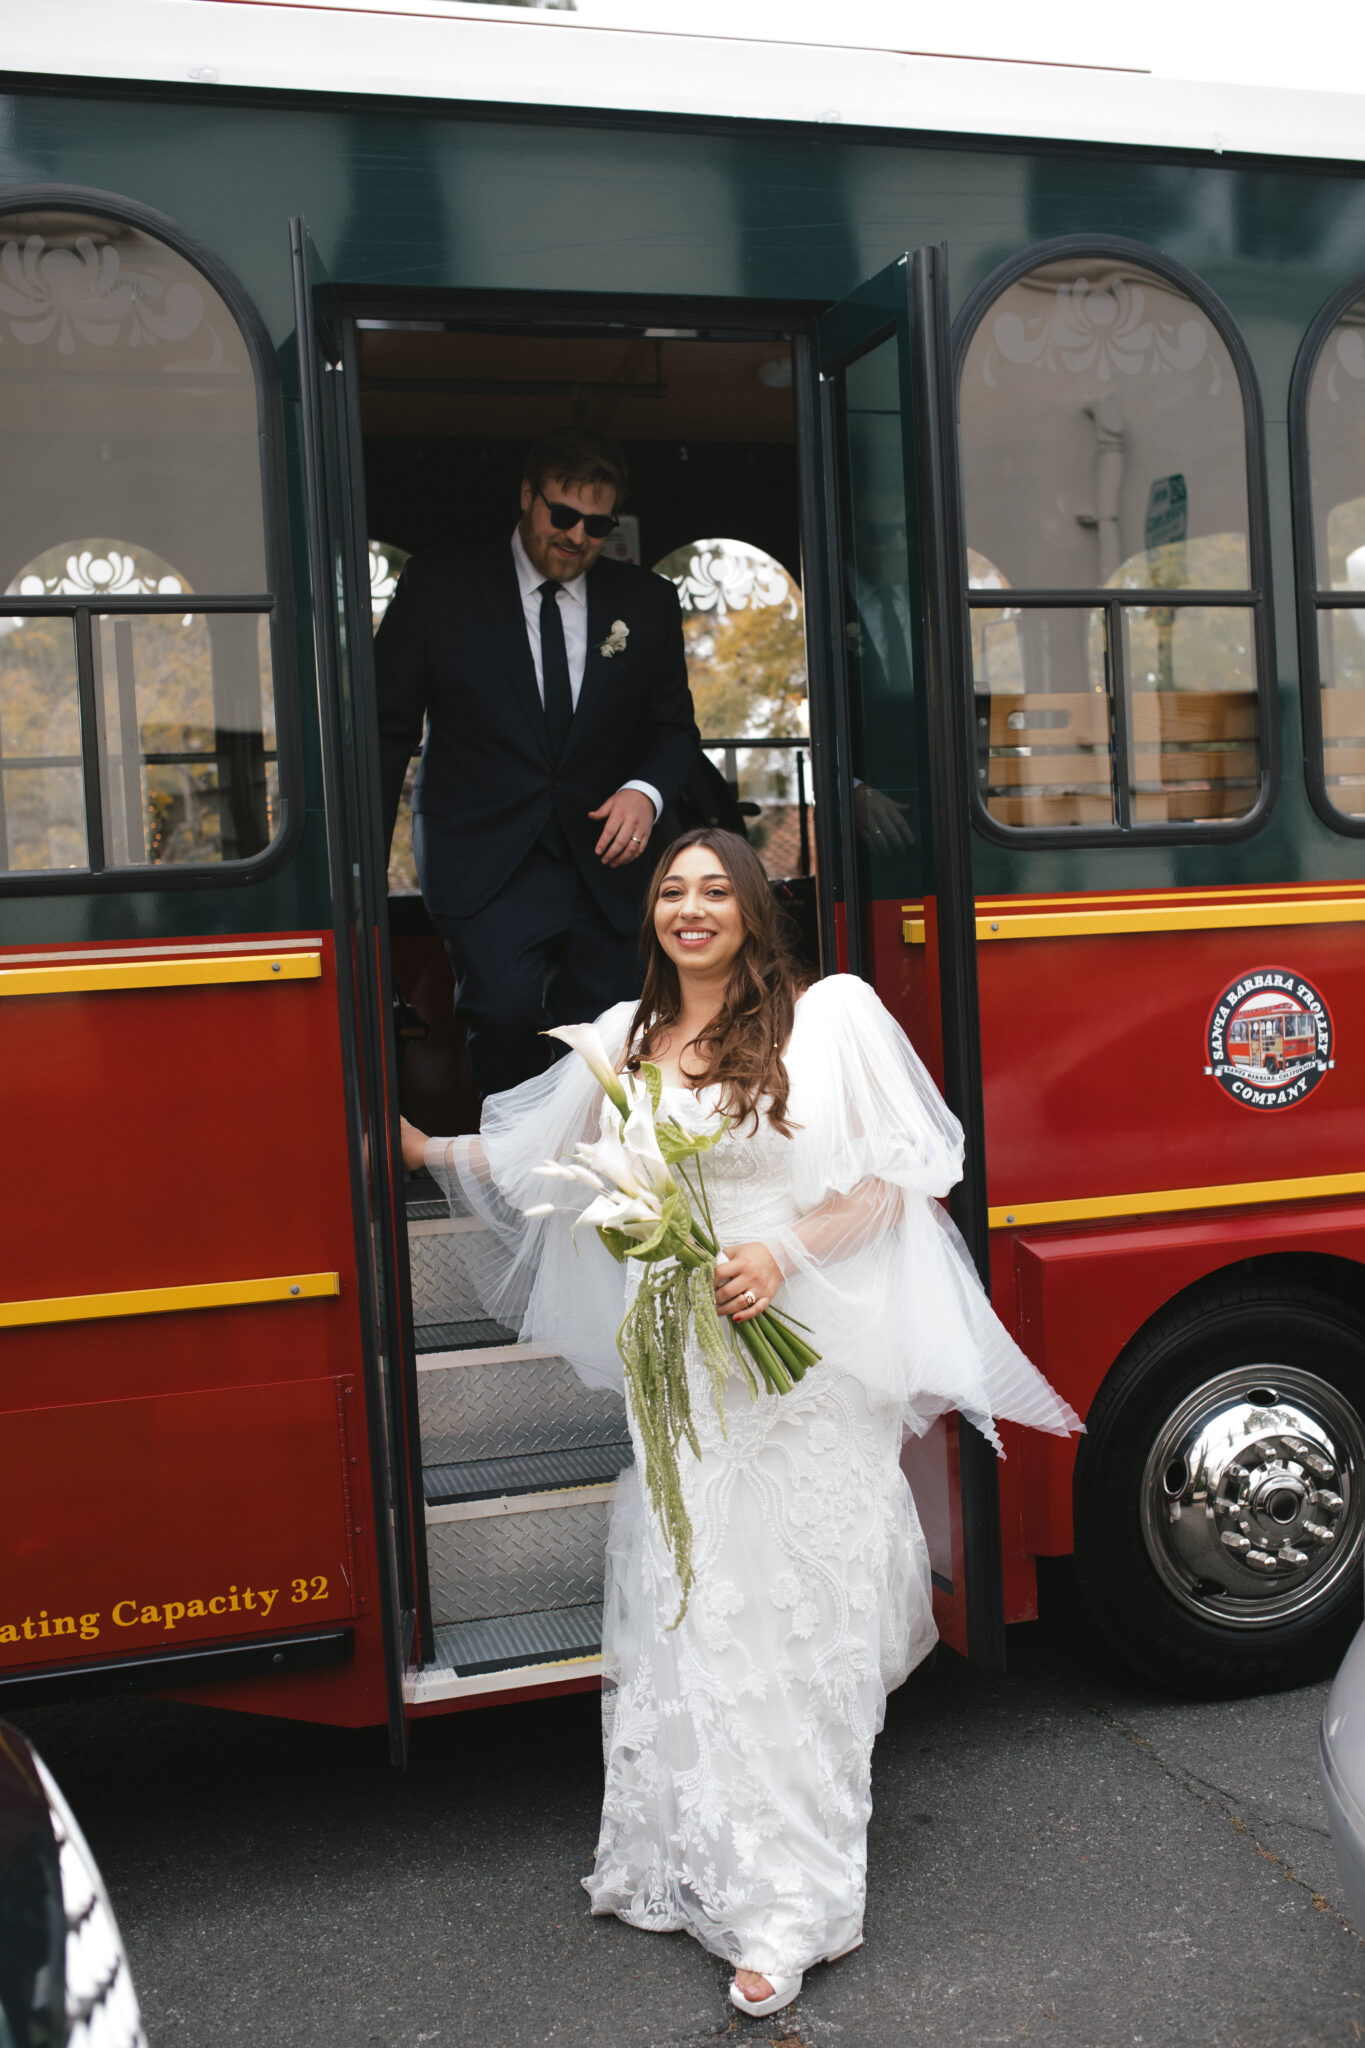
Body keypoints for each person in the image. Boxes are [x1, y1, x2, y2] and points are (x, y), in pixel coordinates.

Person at [401, 829, 1079, 2021]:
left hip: (800, 1361)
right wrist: (415, 1146)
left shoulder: (826, 1020)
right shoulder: (623, 1039)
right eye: (672, 890)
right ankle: (692, 1849)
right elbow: (550, 1161)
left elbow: (893, 1183)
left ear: (754, 909)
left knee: (794, 1619)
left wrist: (780, 1251)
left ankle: (794, 1905)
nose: (692, 906)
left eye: (716, 889)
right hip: (689, 1368)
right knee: (701, 1604)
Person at [375, 427, 699, 1098]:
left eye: (597, 524)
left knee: (613, 1033)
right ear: (527, 496)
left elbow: (672, 731)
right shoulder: (439, 588)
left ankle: (602, 1165)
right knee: (504, 1012)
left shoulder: (646, 602)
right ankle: (515, 1163)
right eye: (564, 515)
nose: (578, 535)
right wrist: (357, 869)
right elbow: (385, 730)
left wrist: (643, 792)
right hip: (483, 856)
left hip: (606, 863)